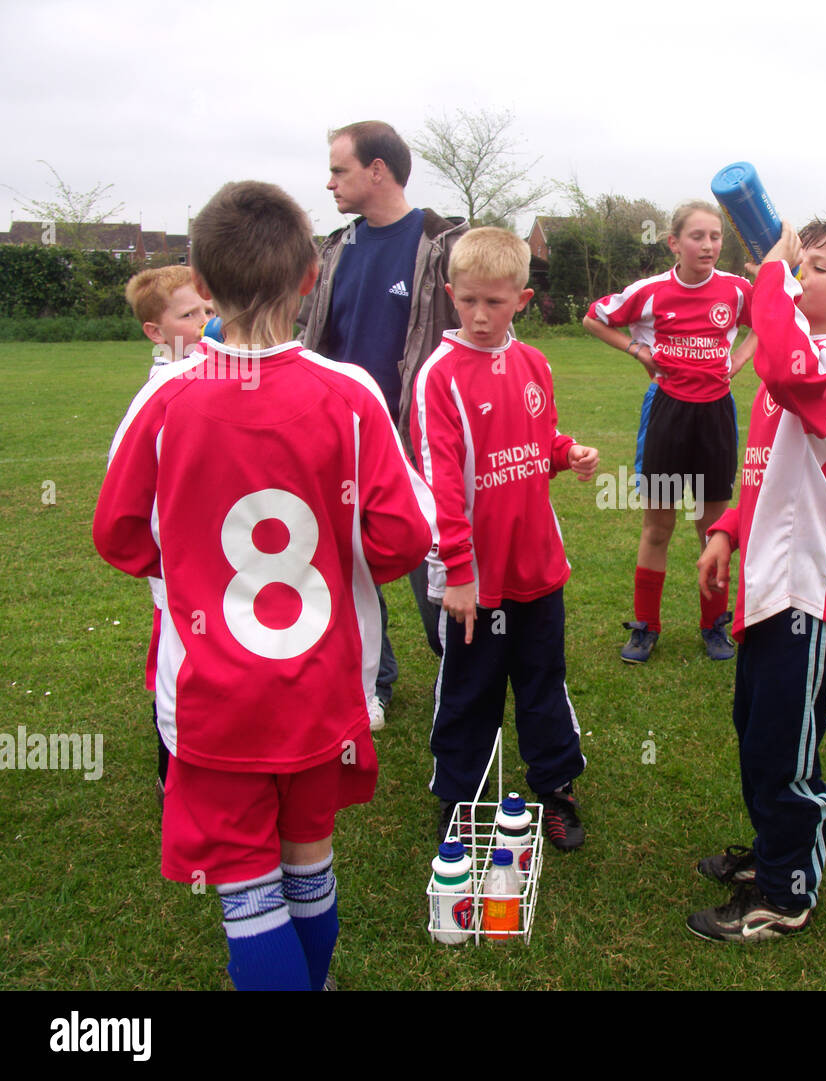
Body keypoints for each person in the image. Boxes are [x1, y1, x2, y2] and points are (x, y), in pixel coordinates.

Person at [94, 180, 437, 990]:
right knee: (308, 864)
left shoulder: (164, 400)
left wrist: (191, 565)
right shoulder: (351, 396)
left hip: (215, 695)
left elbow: (118, 533)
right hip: (322, 686)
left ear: (202, 288)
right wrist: (340, 563)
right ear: (311, 277)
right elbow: (404, 535)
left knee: (247, 890)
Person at [689, 220, 826, 941]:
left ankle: (787, 892)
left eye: (819, 269)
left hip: (807, 590)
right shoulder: (791, 360)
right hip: (768, 583)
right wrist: (726, 531)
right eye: (799, 264)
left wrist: (769, 275)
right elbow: (768, 476)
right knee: (756, 728)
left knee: (785, 748)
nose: (801, 275)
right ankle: (772, 852)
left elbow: (786, 364)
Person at [411, 227, 599, 852]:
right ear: (450, 295)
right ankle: (458, 798)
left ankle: (555, 788)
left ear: (521, 298)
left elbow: (534, 446)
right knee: (469, 689)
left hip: (538, 565)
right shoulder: (439, 376)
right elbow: (443, 486)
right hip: (473, 579)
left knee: (545, 680)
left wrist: (566, 452)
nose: (480, 315)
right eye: (468, 301)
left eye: (495, 302)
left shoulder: (534, 363)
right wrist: (460, 573)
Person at [300, 119, 468, 728]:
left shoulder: (446, 242)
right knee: (345, 565)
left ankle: (462, 671)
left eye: (339, 170)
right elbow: (311, 341)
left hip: (424, 445)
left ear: (378, 170)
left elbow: (483, 340)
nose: (329, 183)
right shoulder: (333, 250)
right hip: (342, 442)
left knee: (436, 559)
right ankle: (374, 680)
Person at [583, 201, 755, 664]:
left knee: (712, 526)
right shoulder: (651, 291)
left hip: (716, 415)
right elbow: (593, 318)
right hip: (668, 414)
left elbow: (766, 322)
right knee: (658, 526)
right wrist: (637, 349)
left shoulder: (738, 291)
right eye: (698, 236)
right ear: (674, 243)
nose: (709, 245)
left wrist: (739, 360)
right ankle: (645, 627)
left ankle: (714, 624)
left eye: (716, 236)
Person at [122, 265, 211, 805]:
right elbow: (128, 498)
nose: (204, 323)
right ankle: (172, 775)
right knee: (175, 672)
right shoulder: (158, 395)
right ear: (156, 332)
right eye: (187, 315)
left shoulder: (220, 372)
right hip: (179, 573)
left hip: (220, 562)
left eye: (206, 310)